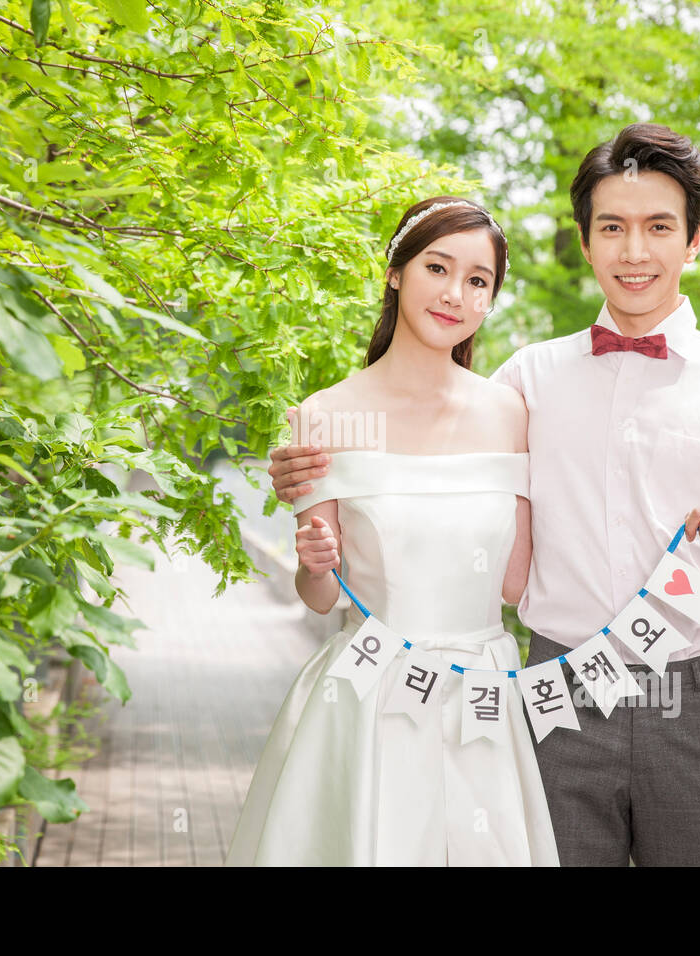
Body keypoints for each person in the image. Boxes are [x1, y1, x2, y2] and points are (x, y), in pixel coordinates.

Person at [268, 124, 700, 866]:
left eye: (659, 227)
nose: (634, 251)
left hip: (694, 703)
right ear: (586, 242)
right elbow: (428, 450)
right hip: (552, 705)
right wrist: (311, 473)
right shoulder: (525, 384)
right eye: (612, 228)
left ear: (693, 241)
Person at [224, 196, 560, 866]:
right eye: (437, 268)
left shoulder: (509, 412)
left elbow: (516, 580)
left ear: (490, 300)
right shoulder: (326, 414)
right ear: (396, 272)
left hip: (481, 692)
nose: (454, 294)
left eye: (478, 281)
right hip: (368, 690)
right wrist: (315, 563)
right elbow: (319, 598)